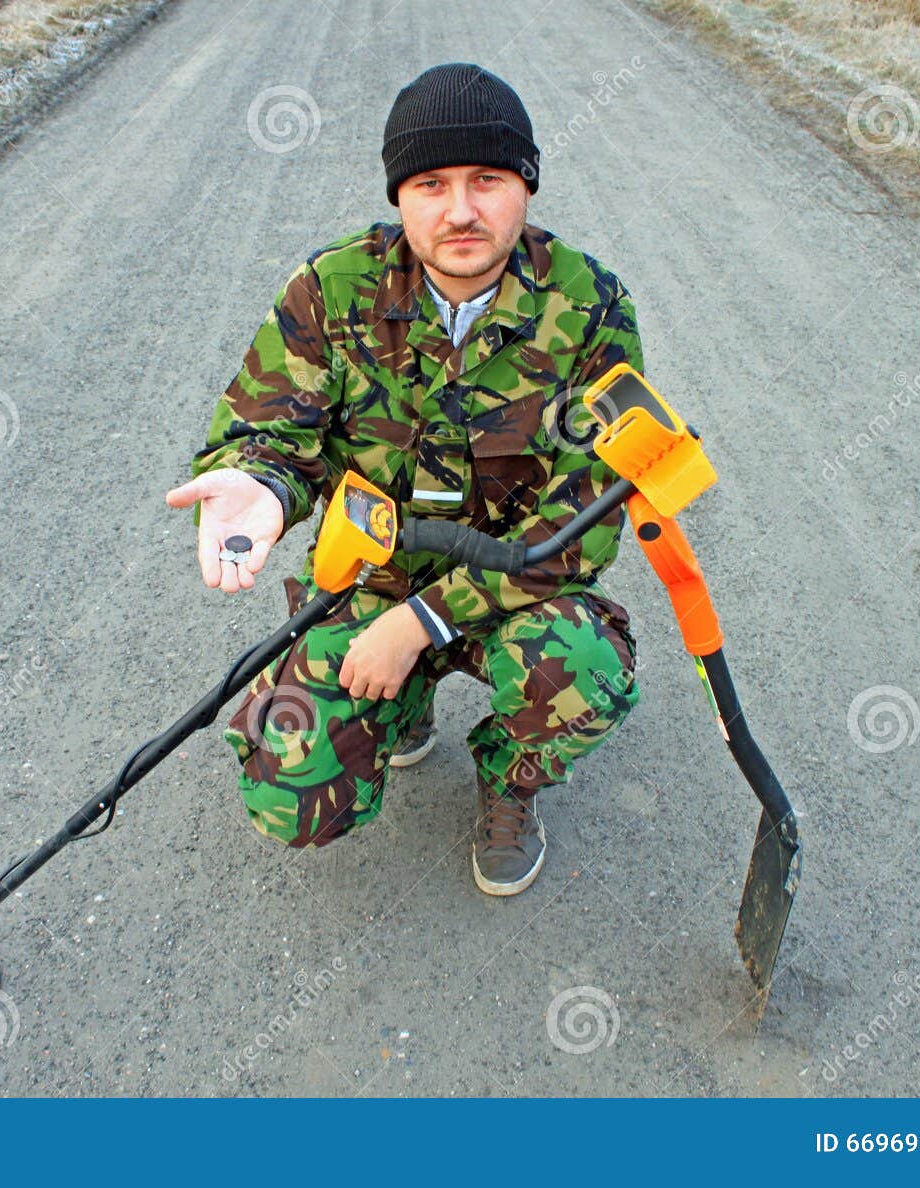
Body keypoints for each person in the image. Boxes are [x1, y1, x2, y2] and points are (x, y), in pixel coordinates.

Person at [166, 62, 642, 896]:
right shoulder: (332, 289)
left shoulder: (592, 305)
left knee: (584, 670)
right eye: (431, 184)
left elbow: (588, 517)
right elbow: (271, 427)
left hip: (514, 592)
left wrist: (422, 622)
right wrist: (265, 487)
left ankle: (510, 775)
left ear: (524, 186)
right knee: (291, 794)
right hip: (370, 580)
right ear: (399, 196)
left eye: (487, 179)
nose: (460, 211)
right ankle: (401, 703)